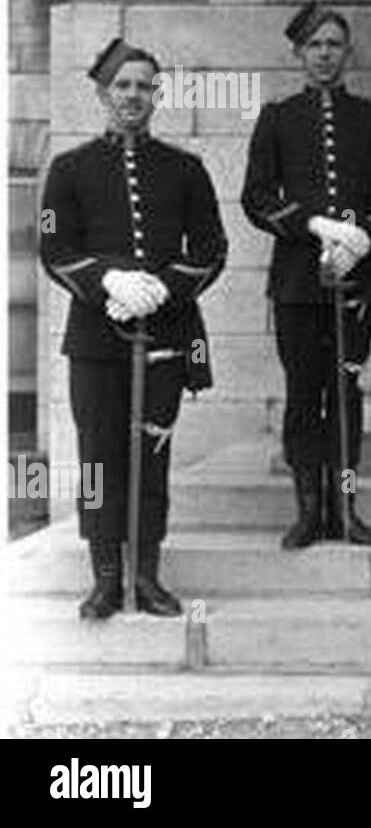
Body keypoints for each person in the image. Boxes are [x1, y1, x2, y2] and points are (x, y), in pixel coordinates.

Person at [40, 38, 227, 618]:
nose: (132, 95)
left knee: (152, 454)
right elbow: (53, 245)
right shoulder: (68, 170)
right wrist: (109, 282)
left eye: (144, 85)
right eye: (122, 85)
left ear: (157, 94)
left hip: (166, 336)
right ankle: (103, 577)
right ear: (102, 93)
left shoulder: (186, 169)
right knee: (98, 457)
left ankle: (146, 575)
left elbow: (214, 247)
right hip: (96, 340)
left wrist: (166, 286)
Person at [242, 3, 371, 549]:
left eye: (334, 44)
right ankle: (307, 511)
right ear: (298, 53)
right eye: (315, 45)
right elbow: (256, 197)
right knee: (303, 393)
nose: (324, 55)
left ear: (348, 53)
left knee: (345, 392)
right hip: (298, 282)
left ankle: (344, 509)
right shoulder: (277, 117)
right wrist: (311, 225)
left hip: (357, 283)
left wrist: (363, 235)